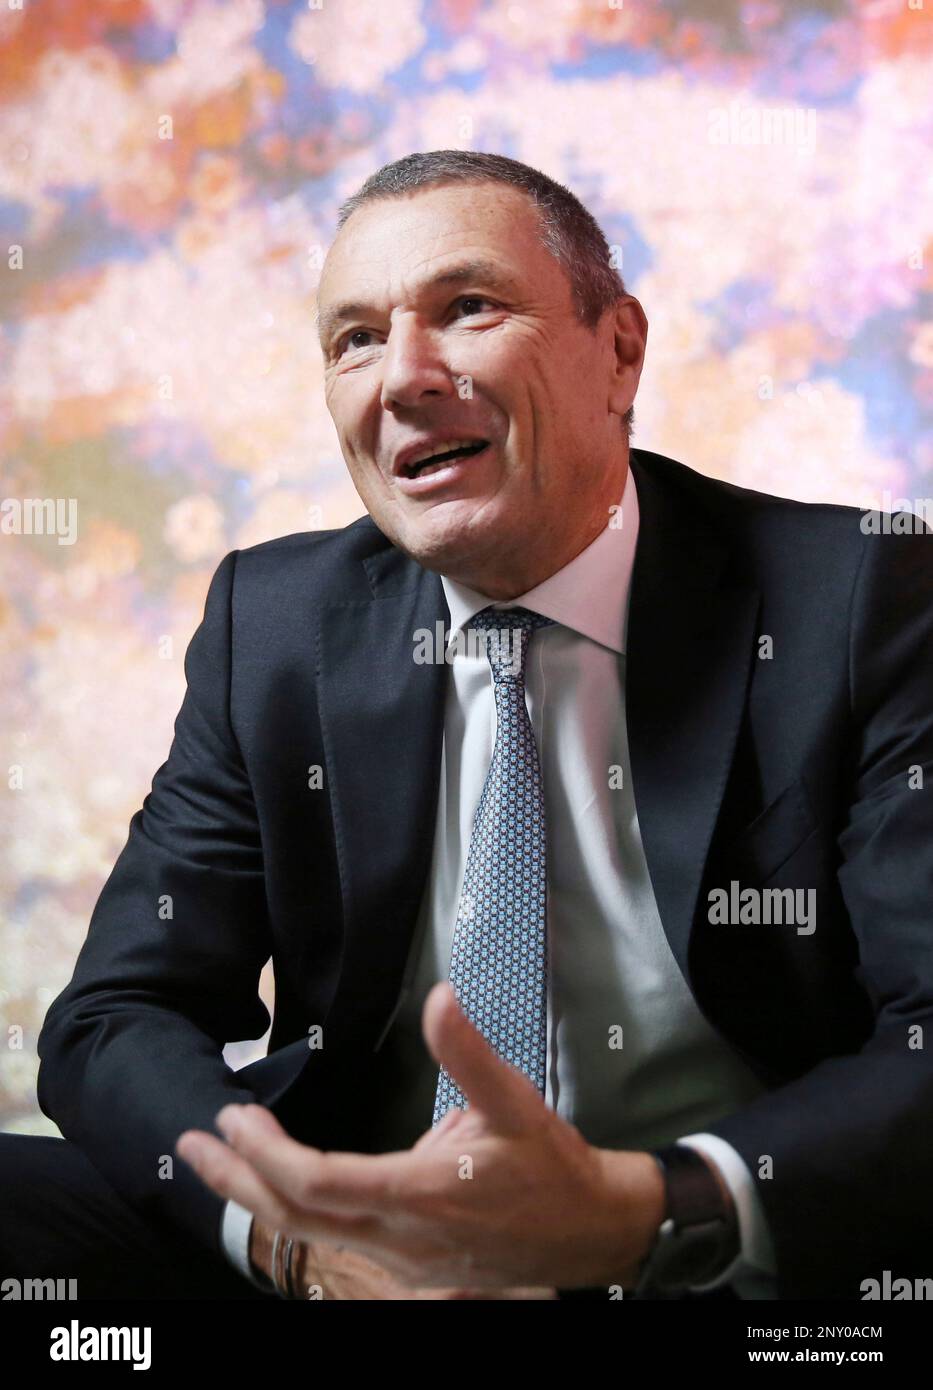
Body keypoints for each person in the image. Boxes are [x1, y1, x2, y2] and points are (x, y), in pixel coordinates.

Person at [4, 151, 931, 1301]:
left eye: (469, 307)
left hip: (706, 1250)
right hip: (368, 1244)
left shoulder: (860, 599)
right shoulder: (275, 625)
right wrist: (304, 1242)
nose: (403, 378)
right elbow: (116, 1015)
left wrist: (647, 1212)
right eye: (354, 338)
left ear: (620, 352)